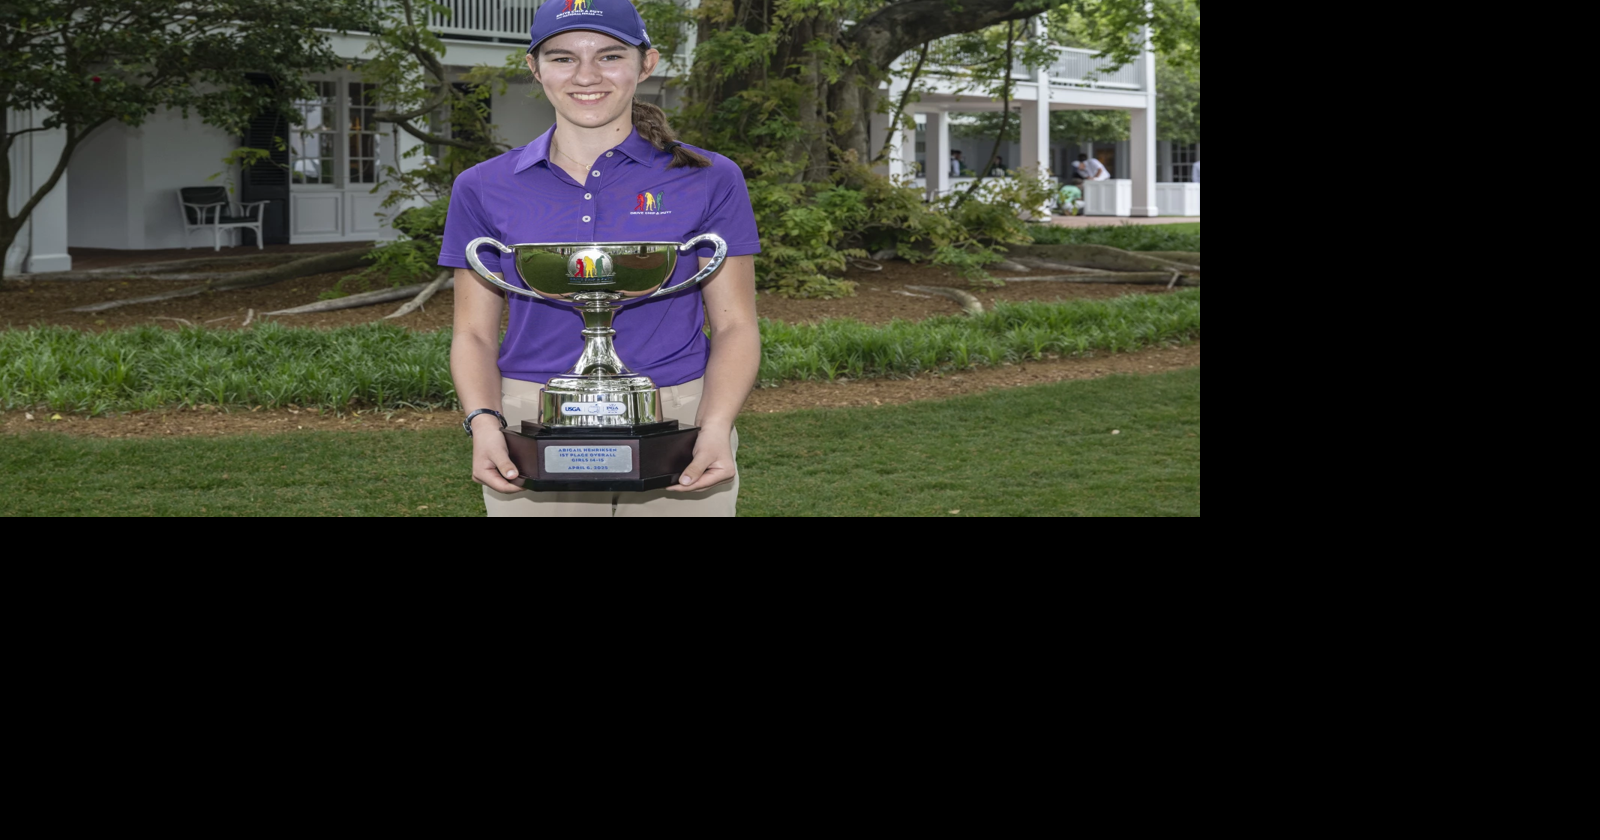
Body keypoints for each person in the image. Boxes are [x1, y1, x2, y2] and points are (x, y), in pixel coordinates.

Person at [440, 0, 761, 517]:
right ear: (534, 67)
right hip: (530, 415)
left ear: (647, 64)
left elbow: (736, 325)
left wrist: (716, 424)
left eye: (609, 56)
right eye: (563, 58)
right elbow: (472, 333)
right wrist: (483, 421)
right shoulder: (482, 186)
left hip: (680, 413)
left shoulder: (708, 176)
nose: (586, 76)